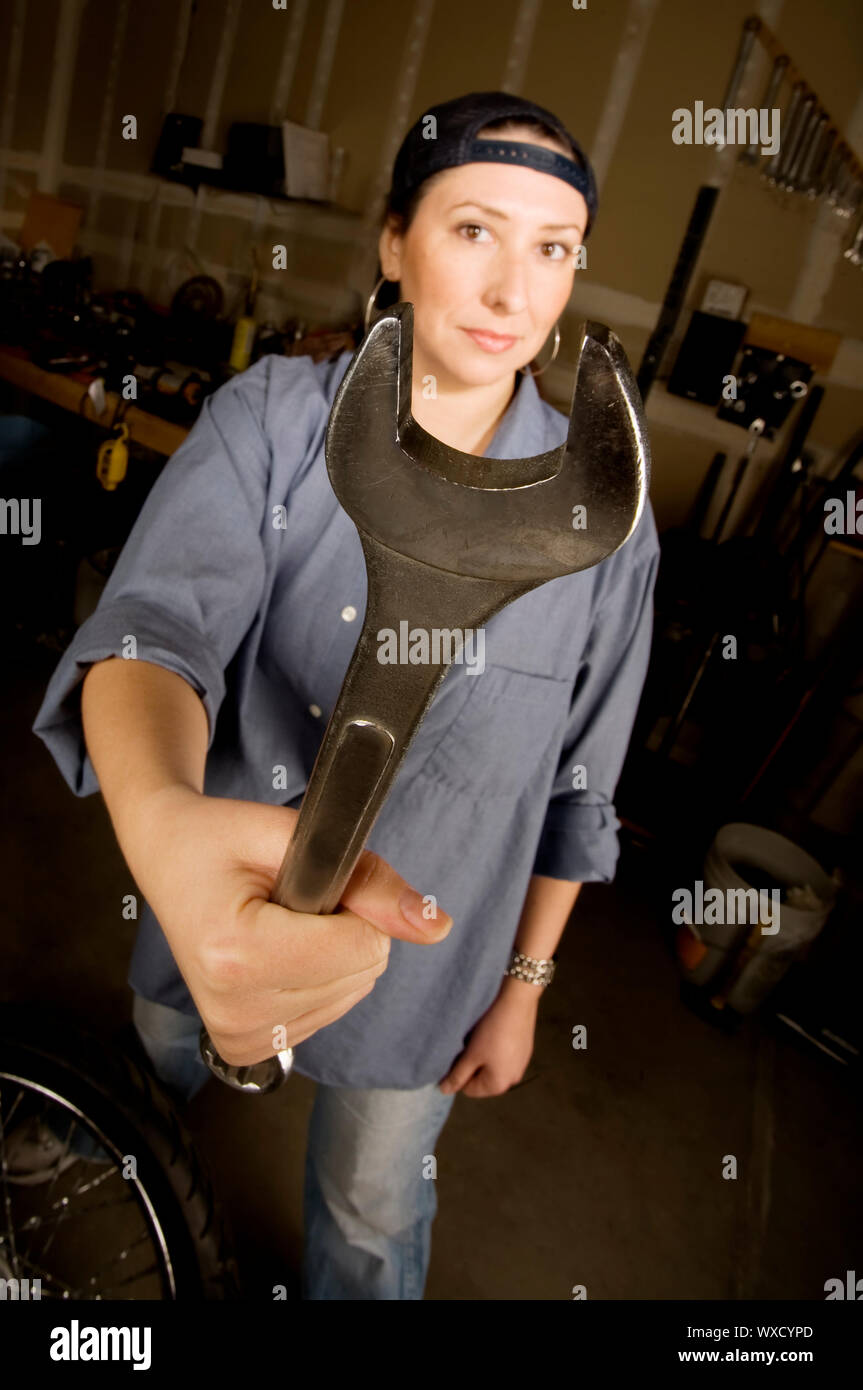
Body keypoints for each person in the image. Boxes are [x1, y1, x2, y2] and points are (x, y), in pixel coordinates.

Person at [30, 91, 660, 1300]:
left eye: (551, 249)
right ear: (393, 242)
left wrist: (523, 992)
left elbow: (583, 786)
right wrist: (158, 821)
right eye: (473, 229)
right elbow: (154, 629)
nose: (509, 292)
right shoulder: (270, 420)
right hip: (204, 915)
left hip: (424, 975)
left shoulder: (601, 523)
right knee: (139, 1097)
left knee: (369, 1220)